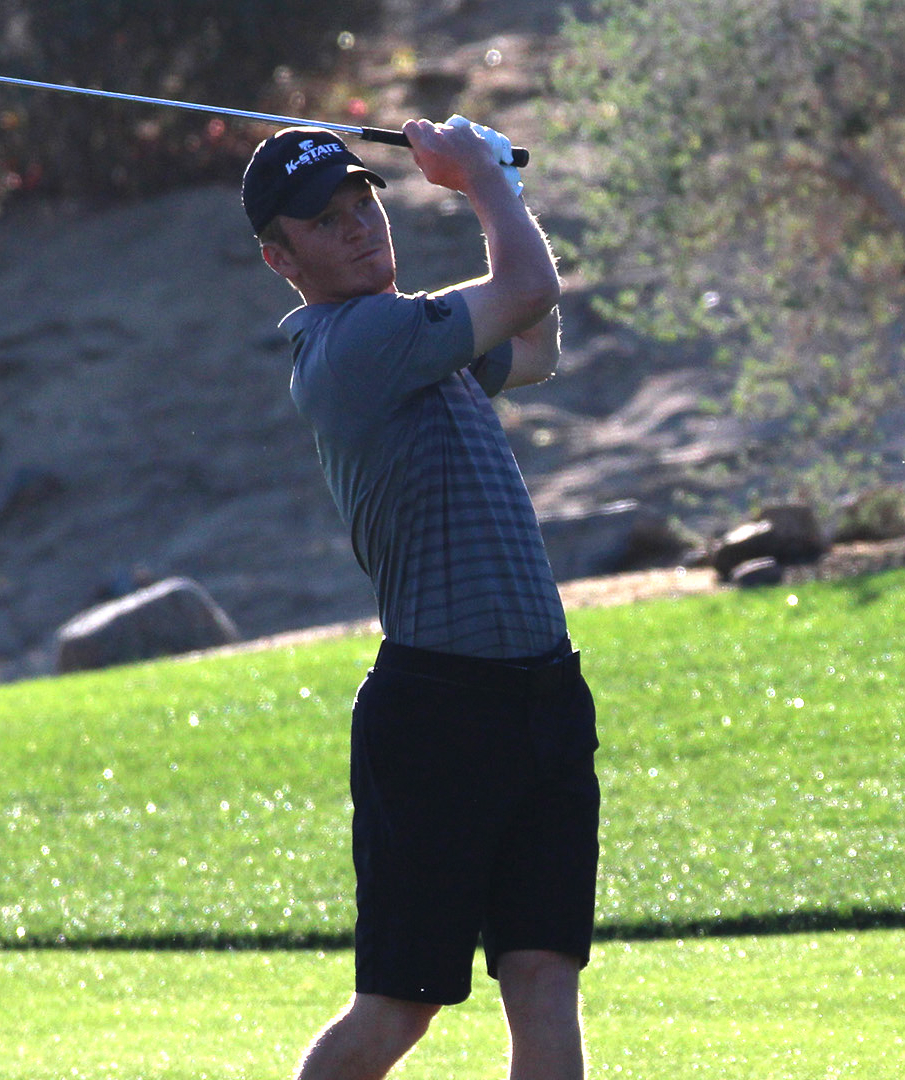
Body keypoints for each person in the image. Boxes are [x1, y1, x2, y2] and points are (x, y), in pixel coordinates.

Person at [241, 118, 599, 1080]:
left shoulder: (415, 340)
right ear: (282, 260)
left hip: (542, 695)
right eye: (326, 220)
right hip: (440, 711)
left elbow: (535, 347)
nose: (360, 227)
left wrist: (500, 190)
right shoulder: (356, 344)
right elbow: (528, 291)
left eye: (363, 202)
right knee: (400, 1006)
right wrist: (485, 180)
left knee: (544, 979)